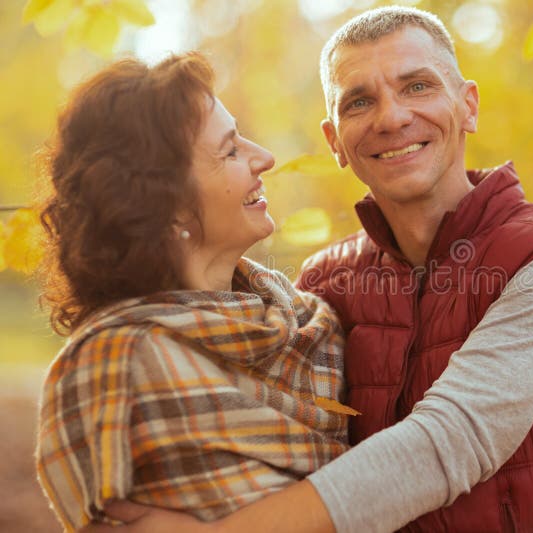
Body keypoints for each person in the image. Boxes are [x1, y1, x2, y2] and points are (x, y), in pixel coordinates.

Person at [84, 6, 533, 533]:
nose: (391, 118)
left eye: (417, 86)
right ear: (335, 141)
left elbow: (453, 439)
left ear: (469, 106)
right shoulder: (321, 288)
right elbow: (256, 438)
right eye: (360, 101)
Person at [35, 53, 350, 532]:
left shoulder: (309, 324)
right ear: (171, 209)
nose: (264, 157)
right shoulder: (119, 363)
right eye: (230, 150)